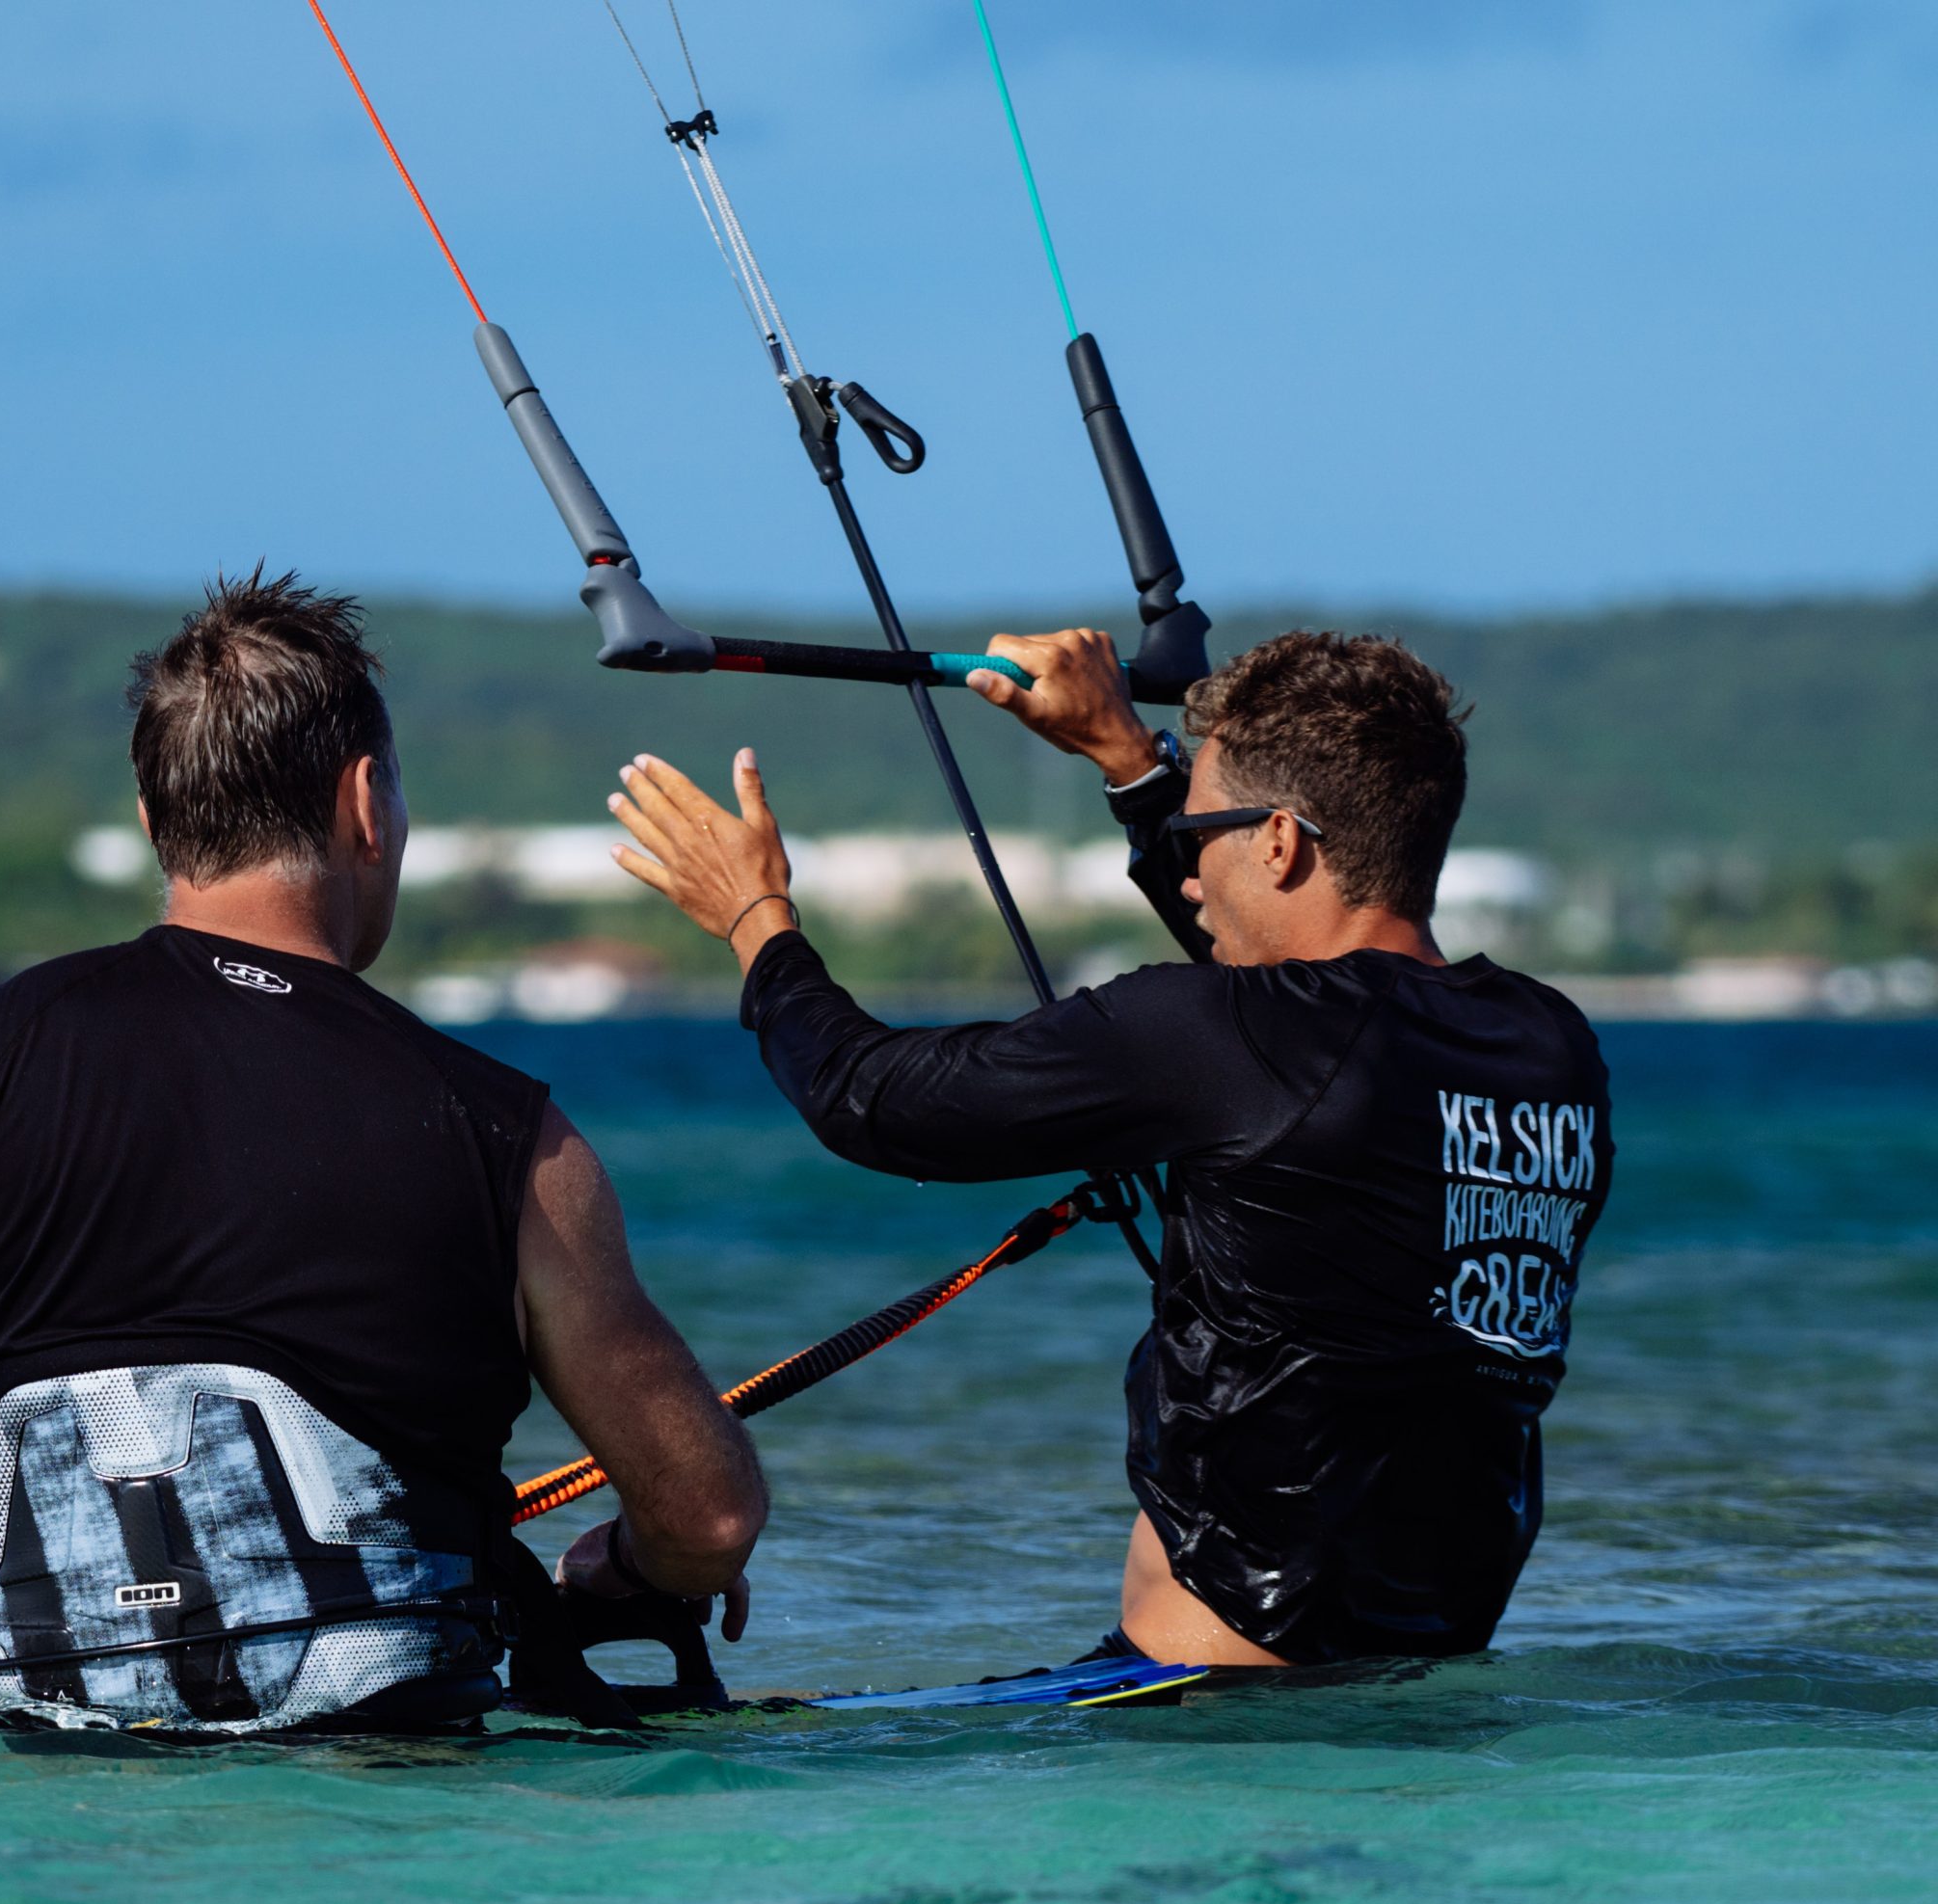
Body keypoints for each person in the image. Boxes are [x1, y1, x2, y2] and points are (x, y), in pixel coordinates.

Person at [0, 570, 765, 1735]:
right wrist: (622, 1572)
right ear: (367, 804)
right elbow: (706, 1520)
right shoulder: (510, 1134)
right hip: (380, 1794)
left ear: (156, 821)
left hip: (30, 1792)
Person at [602, 627, 1611, 1669]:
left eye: (1201, 829)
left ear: (1276, 842)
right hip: (1422, 1670)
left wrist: (755, 919)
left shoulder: (1235, 1040)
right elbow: (1298, 1036)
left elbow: (871, 1101)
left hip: (1200, 1695)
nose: (1186, 876)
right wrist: (1127, 760)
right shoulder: (1549, 1049)